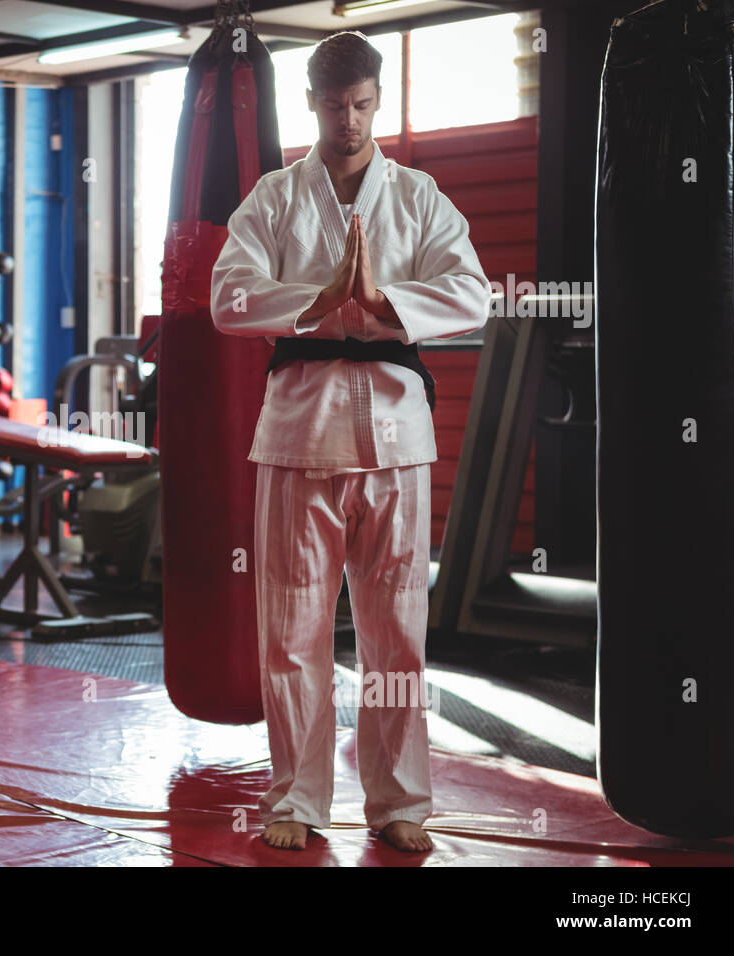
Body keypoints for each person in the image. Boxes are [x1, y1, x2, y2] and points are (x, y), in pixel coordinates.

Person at [210, 31, 491, 853]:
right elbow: (227, 298)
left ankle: (401, 800)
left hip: (398, 437)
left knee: (398, 632)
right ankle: (294, 799)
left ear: (377, 99)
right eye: (334, 106)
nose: (349, 120)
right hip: (300, 433)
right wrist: (317, 296)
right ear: (310, 102)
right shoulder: (274, 198)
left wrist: (384, 299)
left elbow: (472, 293)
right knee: (292, 633)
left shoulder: (417, 197)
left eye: (363, 104)